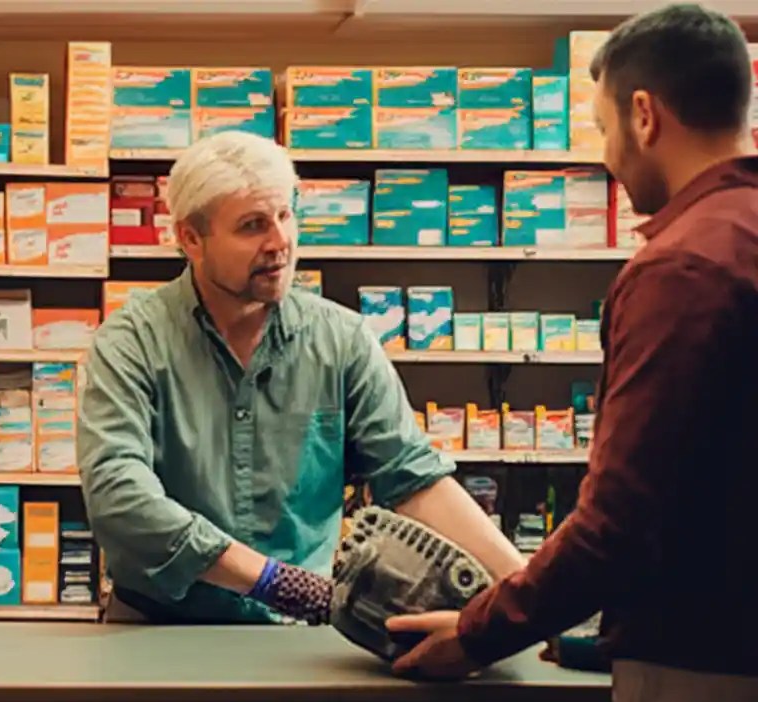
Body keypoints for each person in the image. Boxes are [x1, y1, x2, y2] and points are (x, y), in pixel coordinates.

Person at [386, 4, 758, 702]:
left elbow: (620, 521)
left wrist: (478, 633)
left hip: (708, 670)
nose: (607, 157)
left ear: (644, 115)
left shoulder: (683, 267)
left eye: (603, 128)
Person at [76, 129, 525, 625]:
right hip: (157, 630)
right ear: (191, 239)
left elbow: (412, 477)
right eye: (252, 226)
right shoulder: (132, 342)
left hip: (299, 632)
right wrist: (273, 581)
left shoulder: (342, 339)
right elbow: (119, 495)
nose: (280, 243)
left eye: (286, 215)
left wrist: (527, 590)